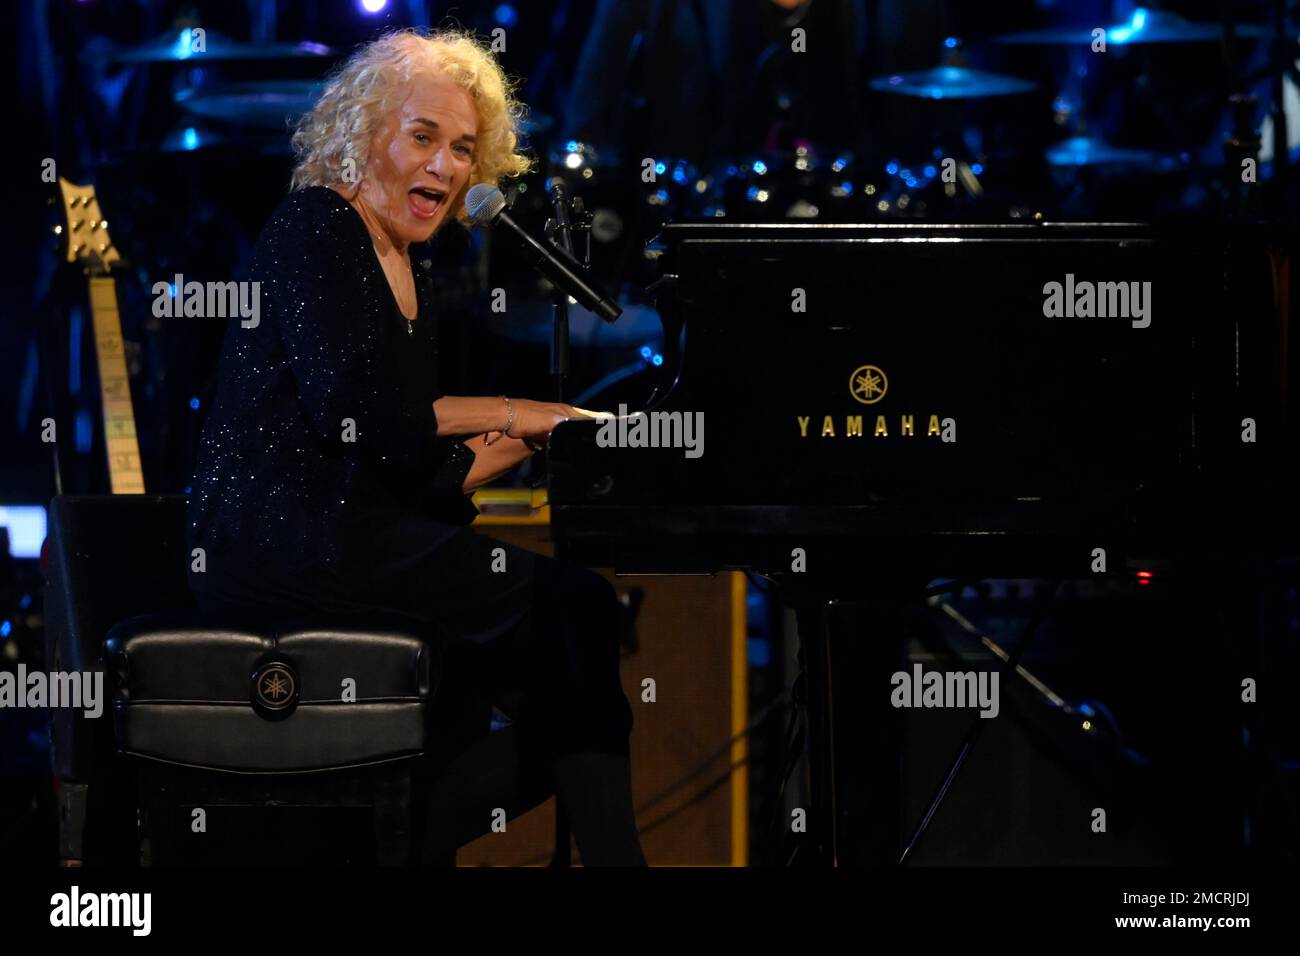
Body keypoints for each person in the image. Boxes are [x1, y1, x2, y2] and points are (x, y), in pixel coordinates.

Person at [185, 27, 646, 866]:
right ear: (365, 135)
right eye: (423, 137)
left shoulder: (411, 270)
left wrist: (553, 439)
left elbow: (411, 462)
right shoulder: (316, 225)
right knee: (571, 613)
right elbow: (358, 408)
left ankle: (410, 843)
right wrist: (514, 407)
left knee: (563, 664)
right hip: (280, 541)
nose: (444, 166)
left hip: (356, 535)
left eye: (464, 149)